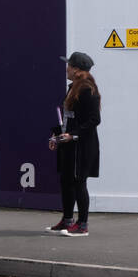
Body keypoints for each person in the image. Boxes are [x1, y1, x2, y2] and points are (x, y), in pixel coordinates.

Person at [46, 51, 101, 236]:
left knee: (79, 183)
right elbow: (69, 120)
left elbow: (94, 120)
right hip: (69, 145)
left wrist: (73, 135)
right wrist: (56, 135)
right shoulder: (73, 88)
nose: (66, 68)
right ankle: (67, 220)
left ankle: (82, 225)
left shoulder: (88, 90)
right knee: (66, 182)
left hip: (82, 146)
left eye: (69, 65)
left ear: (77, 69)